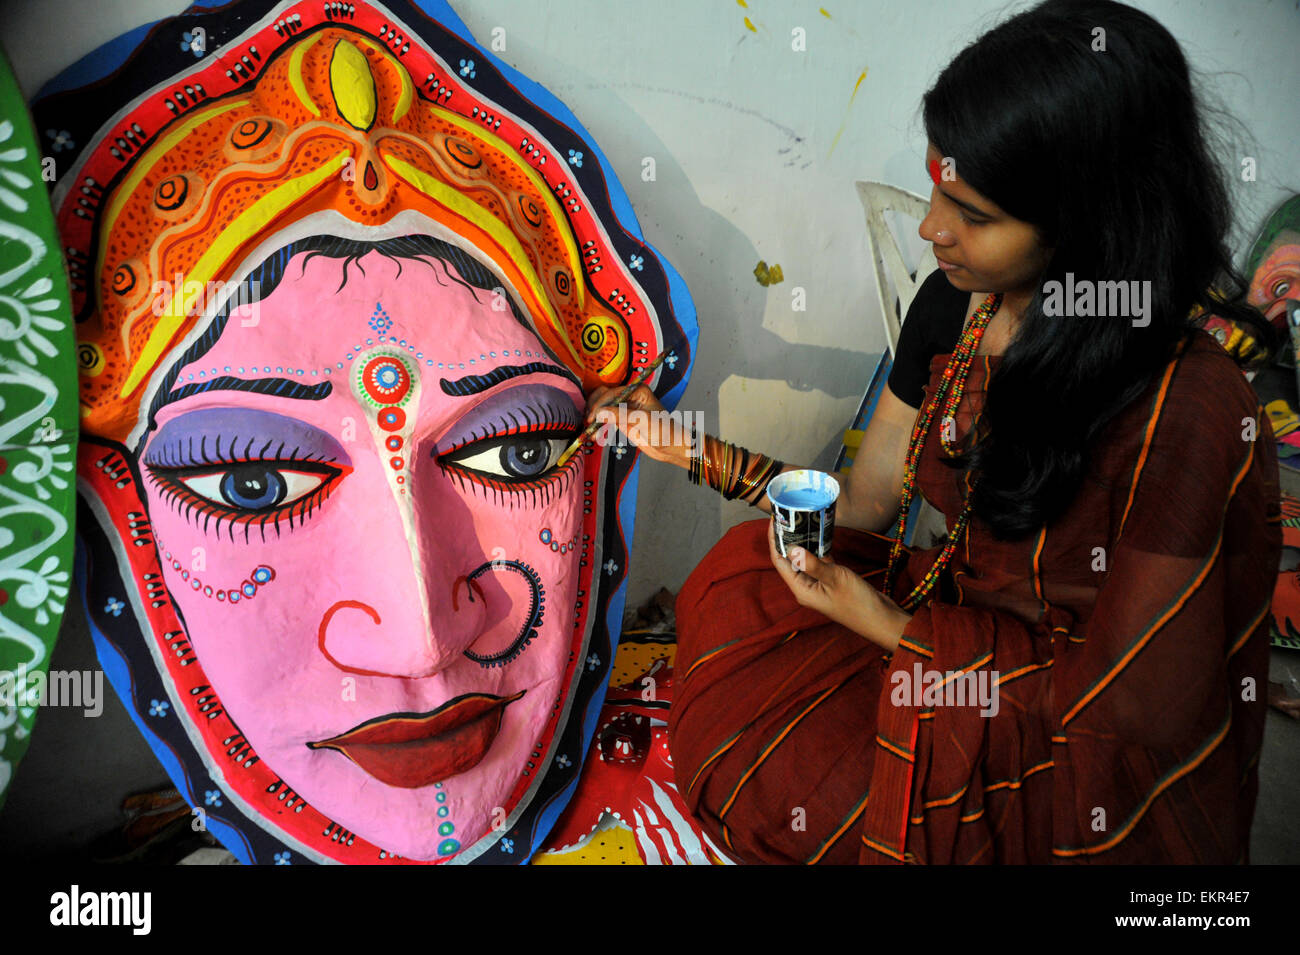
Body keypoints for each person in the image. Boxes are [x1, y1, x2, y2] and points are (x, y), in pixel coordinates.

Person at [586, 0, 1282, 863]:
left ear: (1093, 224)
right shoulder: (957, 303)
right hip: (949, 615)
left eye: (973, 214)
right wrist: (686, 446)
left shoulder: (1192, 404)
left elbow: (1131, 704)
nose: (929, 228)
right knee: (737, 583)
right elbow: (872, 499)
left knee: (816, 782)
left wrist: (886, 625)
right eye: (936, 187)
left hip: (1072, 738)